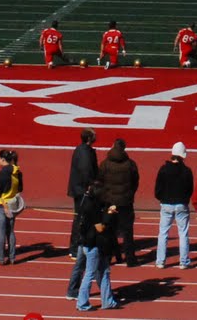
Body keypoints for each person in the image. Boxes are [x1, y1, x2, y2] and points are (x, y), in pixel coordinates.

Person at [72, 190, 121, 312]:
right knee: (89, 274)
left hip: (92, 245)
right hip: (92, 246)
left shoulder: (88, 205)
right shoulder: (93, 210)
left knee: (104, 272)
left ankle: (108, 301)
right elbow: (100, 228)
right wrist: (109, 214)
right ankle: (82, 303)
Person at [95, 138, 140, 267]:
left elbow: (100, 180)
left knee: (109, 229)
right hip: (125, 202)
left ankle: (108, 257)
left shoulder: (105, 164)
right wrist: (130, 194)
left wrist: (104, 196)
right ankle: (130, 259)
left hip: (109, 202)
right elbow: (135, 181)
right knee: (127, 231)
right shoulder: (130, 164)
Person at [154, 142, 193, 269]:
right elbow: (190, 189)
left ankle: (160, 261)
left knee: (163, 233)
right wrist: (185, 199)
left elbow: (157, 189)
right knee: (183, 233)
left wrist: (162, 198)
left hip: (166, 204)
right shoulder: (187, 171)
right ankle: (184, 261)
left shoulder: (163, 169)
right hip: (181, 204)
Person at [0, 149, 23, 265]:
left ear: (3, 160)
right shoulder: (17, 171)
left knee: (1, 232)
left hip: (1, 205)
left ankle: (1, 258)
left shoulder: (2, 173)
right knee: (11, 231)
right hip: (12, 204)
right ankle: (12, 257)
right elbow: (20, 188)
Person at [66, 129, 98, 252]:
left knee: (80, 218)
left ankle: (77, 247)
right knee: (81, 219)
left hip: (79, 188)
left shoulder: (82, 149)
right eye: (94, 135)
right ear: (89, 138)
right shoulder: (85, 152)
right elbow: (86, 171)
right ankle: (75, 249)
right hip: (82, 191)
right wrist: (91, 184)